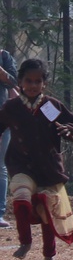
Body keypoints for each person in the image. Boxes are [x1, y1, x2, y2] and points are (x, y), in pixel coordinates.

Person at [0, 58, 73, 260]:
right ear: (20, 82)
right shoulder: (12, 107)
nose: (32, 85)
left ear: (44, 84)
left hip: (48, 169)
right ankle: (25, 241)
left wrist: (70, 131)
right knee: (20, 196)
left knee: (46, 210)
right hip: (21, 166)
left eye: (37, 81)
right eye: (28, 81)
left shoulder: (50, 106)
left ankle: (49, 256)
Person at [0, 46, 18, 230]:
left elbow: (14, 82)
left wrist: (2, 73)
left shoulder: (4, 57)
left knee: (0, 166)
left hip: (1, 118)